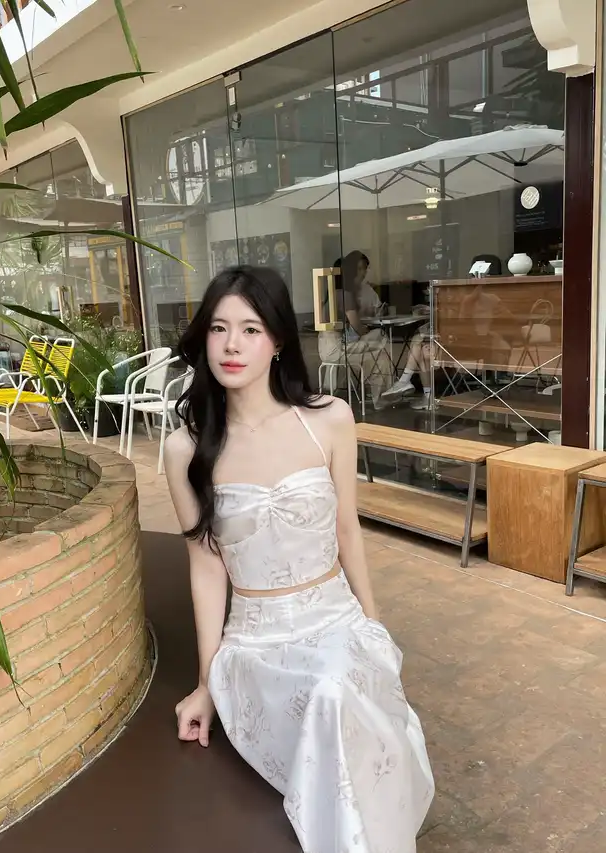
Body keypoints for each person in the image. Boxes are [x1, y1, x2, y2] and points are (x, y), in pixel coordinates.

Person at [164, 265, 434, 853]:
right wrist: (207, 683)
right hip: (256, 645)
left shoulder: (329, 419)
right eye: (218, 328)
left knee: (337, 692)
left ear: (279, 340)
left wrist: (373, 624)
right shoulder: (185, 448)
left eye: (251, 329)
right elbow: (206, 568)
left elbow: (347, 529)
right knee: (331, 701)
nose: (232, 345)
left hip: (335, 620)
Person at [318, 251, 392, 410]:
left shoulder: (334, 294)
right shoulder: (345, 295)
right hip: (337, 349)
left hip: (328, 348)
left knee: (379, 353)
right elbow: (357, 327)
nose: (361, 274)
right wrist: (366, 331)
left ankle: (383, 395)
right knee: (379, 342)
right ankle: (382, 397)